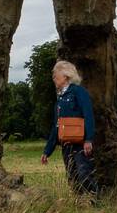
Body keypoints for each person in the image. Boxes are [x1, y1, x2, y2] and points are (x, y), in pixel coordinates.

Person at [41, 60, 99, 199]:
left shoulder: (79, 92)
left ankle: (96, 204)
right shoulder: (59, 99)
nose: (54, 79)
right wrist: (47, 151)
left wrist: (89, 139)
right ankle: (78, 206)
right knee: (72, 176)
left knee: (84, 173)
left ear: (65, 76)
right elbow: (56, 126)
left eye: (56, 75)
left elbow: (88, 115)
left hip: (81, 143)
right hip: (66, 145)